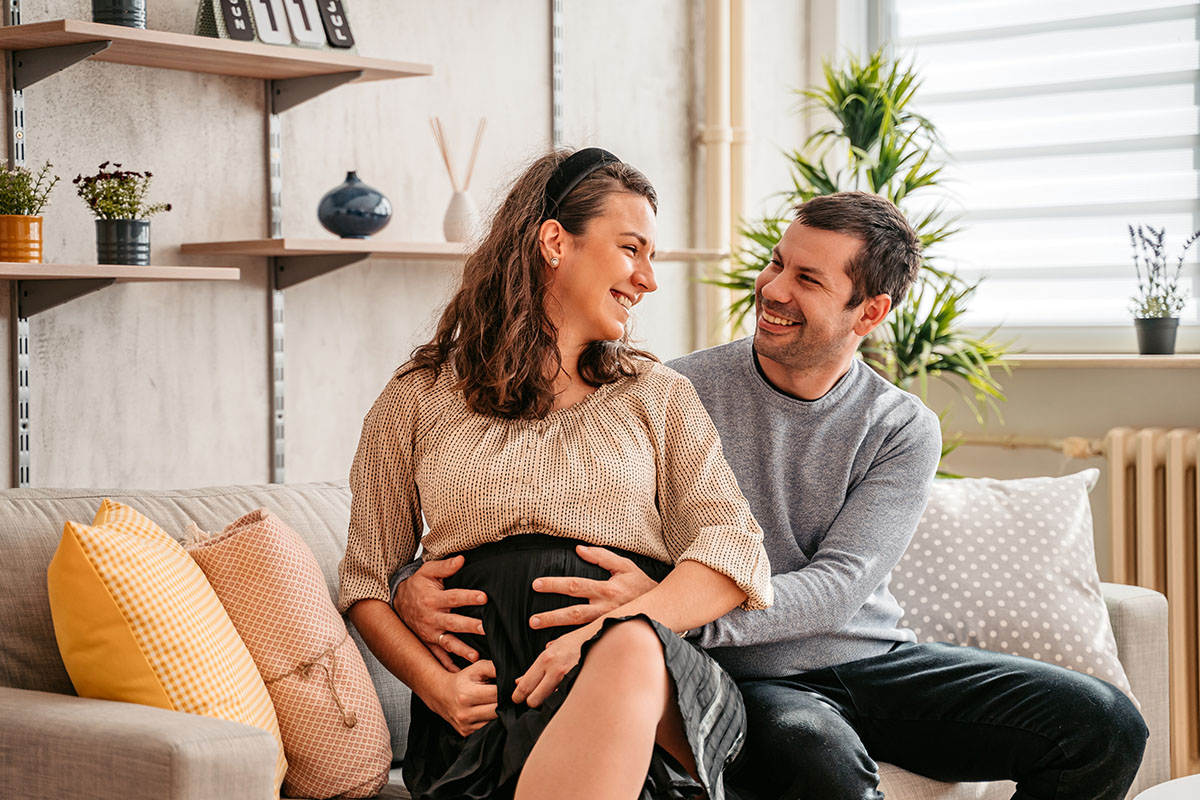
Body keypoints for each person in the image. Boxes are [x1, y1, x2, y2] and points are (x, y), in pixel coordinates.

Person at [394, 191, 1150, 799]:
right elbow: (542, 504)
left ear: (870, 313)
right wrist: (410, 586)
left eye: (808, 280)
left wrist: (660, 616)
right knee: (821, 761)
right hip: (747, 681)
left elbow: (840, 586)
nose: (773, 289)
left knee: (1105, 725)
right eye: (778, 263)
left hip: (869, 660)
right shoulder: (670, 388)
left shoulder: (899, 426)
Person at [337, 146, 774, 800]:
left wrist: (609, 628)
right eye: (632, 249)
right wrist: (437, 688)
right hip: (477, 714)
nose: (648, 279)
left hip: (635, 689)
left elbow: (735, 552)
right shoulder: (419, 396)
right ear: (553, 242)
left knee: (627, 647)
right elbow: (366, 579)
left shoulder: (655, 394)